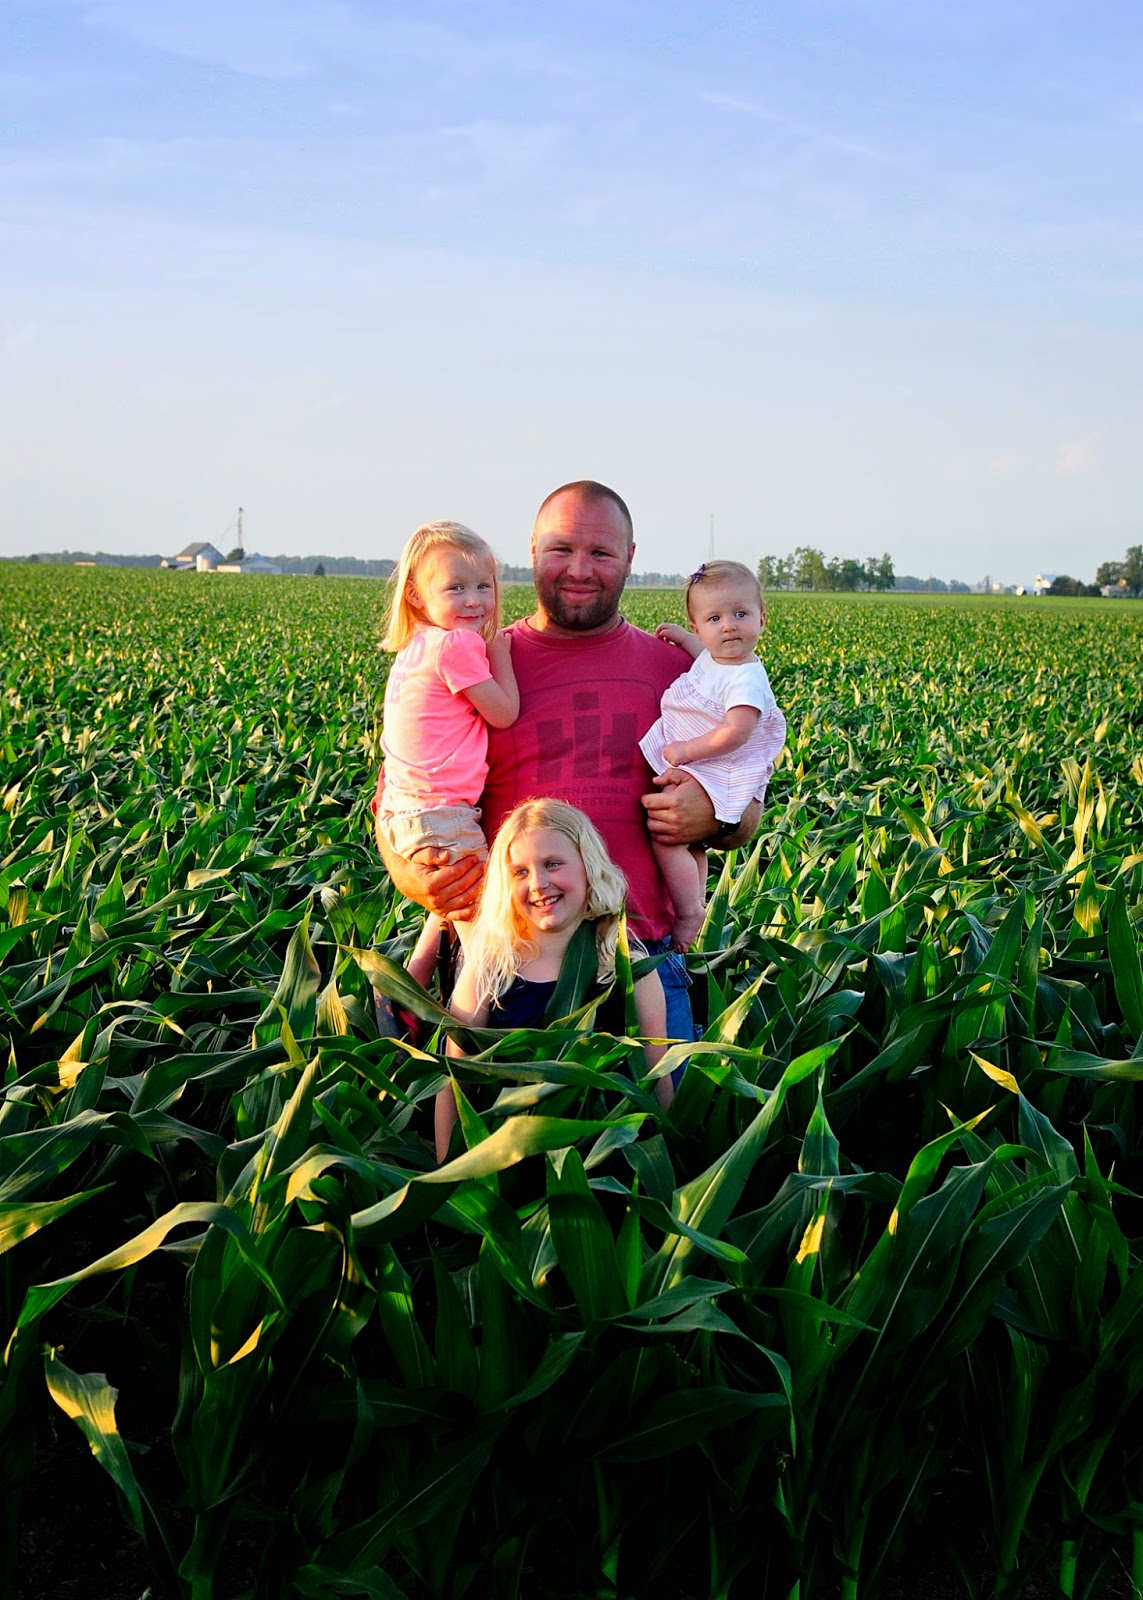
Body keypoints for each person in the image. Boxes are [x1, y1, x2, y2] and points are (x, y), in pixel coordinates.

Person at [374, 481, 763, 1041]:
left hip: (640, 958)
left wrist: (717, 819)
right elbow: (400, 792)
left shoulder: (680, 671)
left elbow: (748, 796)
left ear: (629, 559)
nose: (579, 569)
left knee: (658, 1122)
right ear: (532, 549)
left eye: (601, 553)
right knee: (496, 1126)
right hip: (505, 964)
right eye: (561, 549)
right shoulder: (477, 664)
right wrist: (410, 873)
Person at [436, 798, 670, 1161]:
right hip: (510, 1169)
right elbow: (455, 1085)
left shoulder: (628, 970)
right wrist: (447, 1178)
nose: (539, 884)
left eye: (552, 864)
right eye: (521, 872)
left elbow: (658, 1080)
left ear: (588, 866)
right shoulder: (489, 970)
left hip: (609, 1165)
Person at [374, 520, 518, 975]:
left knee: (451, 906)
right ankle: (470, 1032)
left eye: (483, 585)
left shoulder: (416, 646)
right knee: (485, 933)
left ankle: (401, 998)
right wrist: (502, 653)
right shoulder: (456, 646)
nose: (474, 600)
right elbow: (504, 713)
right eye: (456, 588)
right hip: (441, 813)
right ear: (417, 595)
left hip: (405, 810)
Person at [640, 560, 786, 950]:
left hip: (718, 763)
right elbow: (699, 656)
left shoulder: (746, 678)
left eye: (741, 614)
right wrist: (679, 639)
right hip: (703, 760)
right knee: (691, 844)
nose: (729, 626)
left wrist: (687, 750)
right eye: (715, 618)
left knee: (666, 839)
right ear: (698, 628)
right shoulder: (716, 657)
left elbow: (735, 732)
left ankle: (689, 911)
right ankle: (695, 899)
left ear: (762, 619)